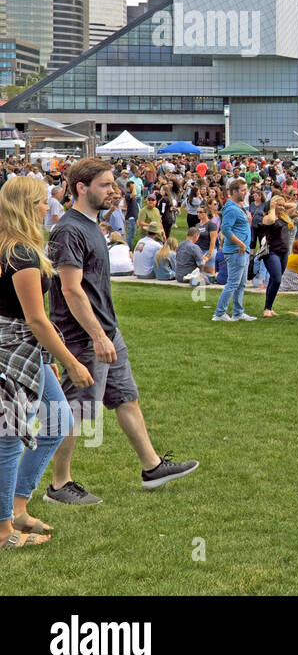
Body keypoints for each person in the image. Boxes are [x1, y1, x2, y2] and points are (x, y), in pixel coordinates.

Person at [45, 158, 198, 505]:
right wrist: (97, 335)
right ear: (81, 188)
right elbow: (71, 290)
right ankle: (58, 485)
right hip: (84, 336)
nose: (113, 191)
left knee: (126, 397)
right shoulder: (70, 230)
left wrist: (106, 333)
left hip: (106, 332)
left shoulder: (92, 226)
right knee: (75, 410)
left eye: (113, 184)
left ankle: (152, 466)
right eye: (105, 185)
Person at [0, 176, 92, 549]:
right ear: (25, 206)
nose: (46, 207)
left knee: (58, 421)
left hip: (24, 351)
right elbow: (35, 319)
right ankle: (4, 531)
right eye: (40, 202)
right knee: (9, 439)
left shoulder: (14, 248)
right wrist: (69, 361)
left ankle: (18, 507)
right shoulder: (19, 254)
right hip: (12, 353)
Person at [213, 178, 256, 323]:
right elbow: (225, 229)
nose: (246, 193)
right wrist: (240, 243)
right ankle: (219, 313)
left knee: (241, 283)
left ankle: (238, 312)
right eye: (243, 190)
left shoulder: (238, 206)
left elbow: (240, 226)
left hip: (242, 250)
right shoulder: (231, 208)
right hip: (236, 251)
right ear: (234, 191)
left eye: (246, 189)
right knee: (233, 283)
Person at [258, 196, 293, 317]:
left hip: (284, 252)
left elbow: (294, 206)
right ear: (273, 205)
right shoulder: (268, 217)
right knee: (277, 279)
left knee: (274, 280)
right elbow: (272, 219)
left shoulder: (284, 217)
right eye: (280, 205)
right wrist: (273, 207)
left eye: (283, 205)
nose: (283, 208)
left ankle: (268, 308)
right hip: (272, 252)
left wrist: (282, 204)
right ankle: (267, 308)